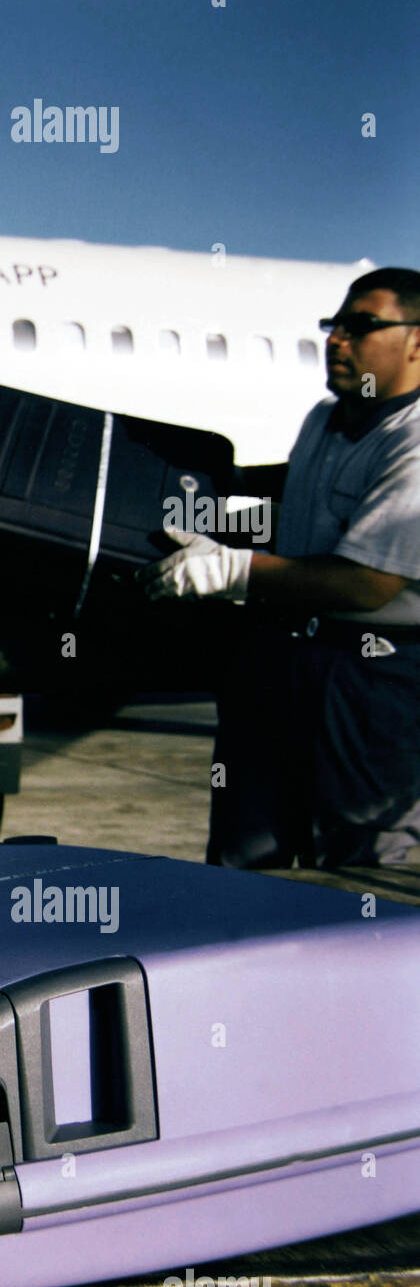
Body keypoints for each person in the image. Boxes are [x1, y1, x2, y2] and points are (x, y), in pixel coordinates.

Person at [142, 266, 420, 868]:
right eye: (333, 325)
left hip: (370, 677)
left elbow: (369, 583)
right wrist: (206, 517)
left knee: (357, 869)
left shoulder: (414, 439)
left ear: (418, 342)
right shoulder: (325, 419)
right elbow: (293, 510)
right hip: (278, 659)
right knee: (244, 860)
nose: (336, 339)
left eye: (361, 326)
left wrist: (231, 570)